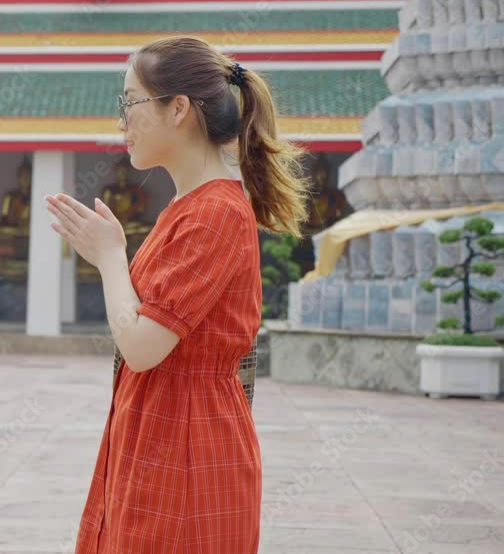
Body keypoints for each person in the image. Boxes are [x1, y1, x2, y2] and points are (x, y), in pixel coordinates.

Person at [45, 36, 310, 554]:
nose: (121, 121)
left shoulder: (214, 213)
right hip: (160, 431)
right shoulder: (190, 207)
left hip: (189, 448)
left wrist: (111, 257)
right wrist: (112, 253)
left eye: (129, 102)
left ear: (179, 109)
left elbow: (142, 347)